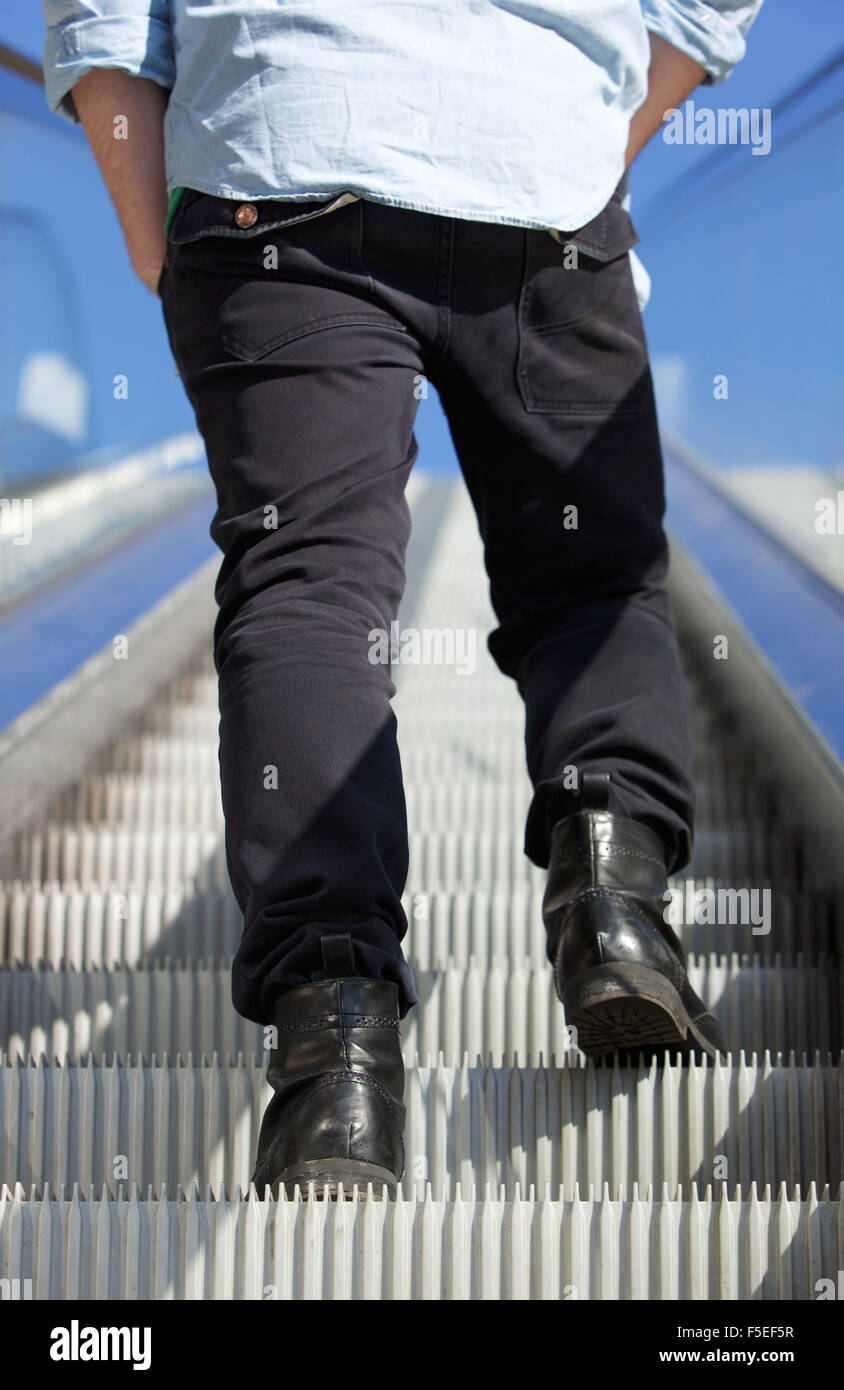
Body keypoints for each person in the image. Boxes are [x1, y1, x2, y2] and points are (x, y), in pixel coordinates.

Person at [43, 0, 764, 1198]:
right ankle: (613, 896)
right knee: (592, 571)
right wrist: (581, 127)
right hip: (538, 173)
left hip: (277, 164)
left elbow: (102, 18)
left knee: (310, 588)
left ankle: (334, 1051)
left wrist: (161, 227)